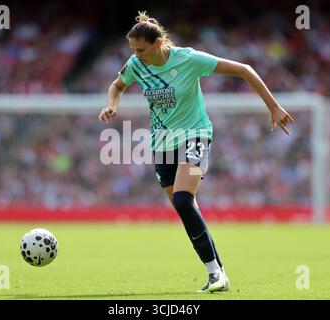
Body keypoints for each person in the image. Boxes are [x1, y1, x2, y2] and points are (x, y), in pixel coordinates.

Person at [98, 11, 294, 293]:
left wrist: (273, 106)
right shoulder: (136, 65)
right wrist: (112, 104)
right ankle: (220, 274)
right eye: (133, 50)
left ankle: (215, 273)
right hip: (161, 143)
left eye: (140, 49)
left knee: (181, 199)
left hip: (195, 134)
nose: (136, 55)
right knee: (185, 207)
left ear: (158, 43)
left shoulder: (188, 59)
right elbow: (117, 85)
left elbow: (244, 70)